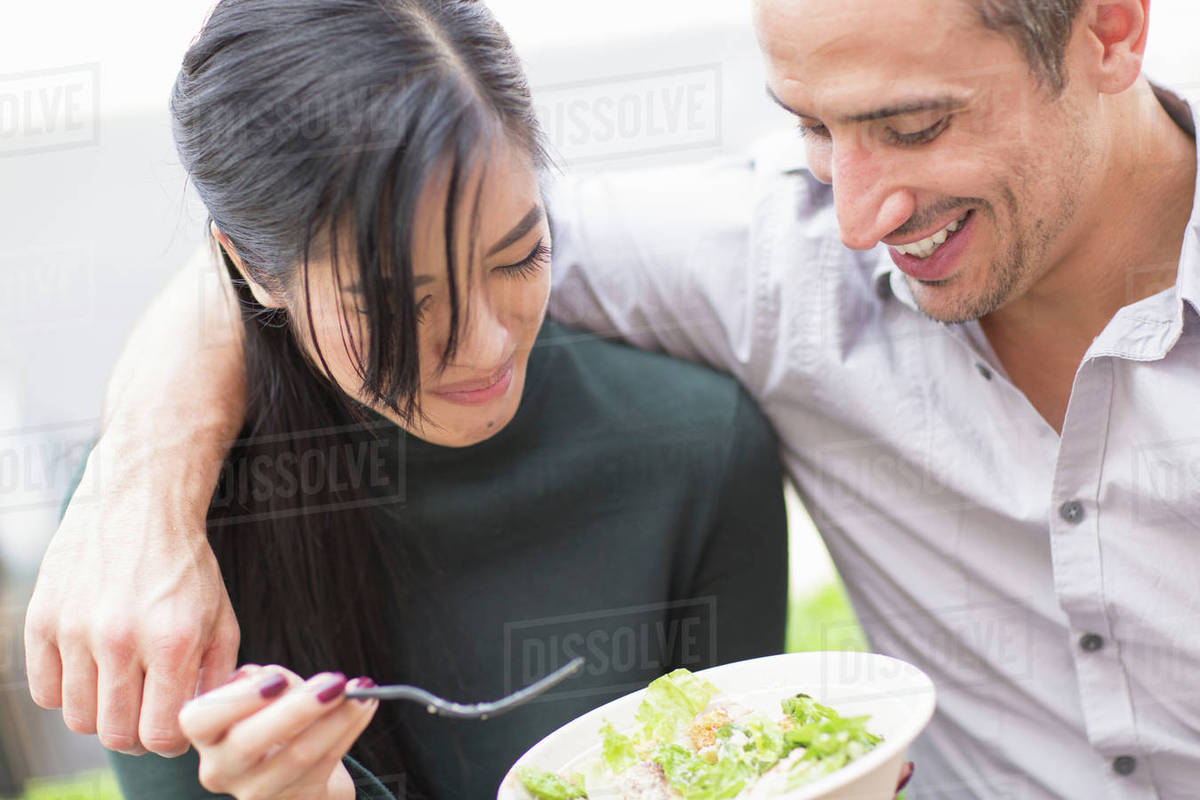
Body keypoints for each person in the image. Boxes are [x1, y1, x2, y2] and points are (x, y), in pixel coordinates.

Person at [25, 0, 1200, 797]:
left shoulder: (680, 419)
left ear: (1110, 26)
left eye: (914, 126)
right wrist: (137, 481)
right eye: (812, 130)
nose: (856, 219)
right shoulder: (768, 262)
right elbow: (329, 227)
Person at [25, 0, 791, 797]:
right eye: (399, 303)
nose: (488, 345)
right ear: (250, 271)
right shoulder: (152, 548)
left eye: (519, 255)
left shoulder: (696, 448)